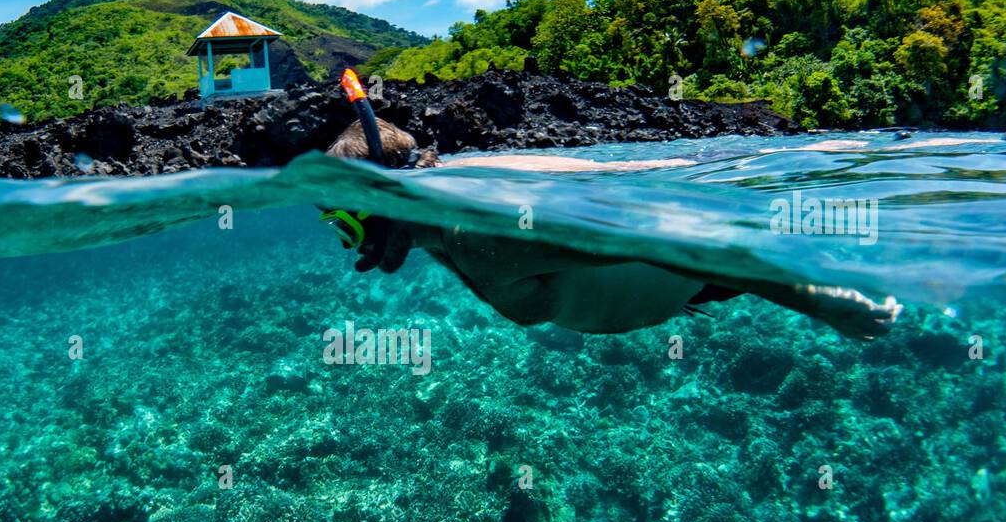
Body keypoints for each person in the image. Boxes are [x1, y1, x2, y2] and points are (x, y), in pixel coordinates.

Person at [320, 72, 901, 340]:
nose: (351, 245)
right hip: (687, 253)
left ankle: (865, 149)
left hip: (706, 269)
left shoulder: (477, 232)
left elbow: (685, 245)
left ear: (383, 201)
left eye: (345, 225)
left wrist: (823, 304)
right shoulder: (446, 222)